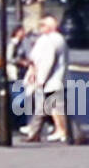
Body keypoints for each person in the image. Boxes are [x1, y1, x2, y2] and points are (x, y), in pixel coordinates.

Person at [24, 15, 69, 143]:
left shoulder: (52, 40)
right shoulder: (56, 39)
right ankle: (35, 131)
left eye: (43, 25)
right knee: (50, 108)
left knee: (53, 108)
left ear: (50, 27)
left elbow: (47, 62)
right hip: (55, 80)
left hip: (51, 80)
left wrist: (40, 79)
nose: (40, 27)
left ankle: (61, 132)